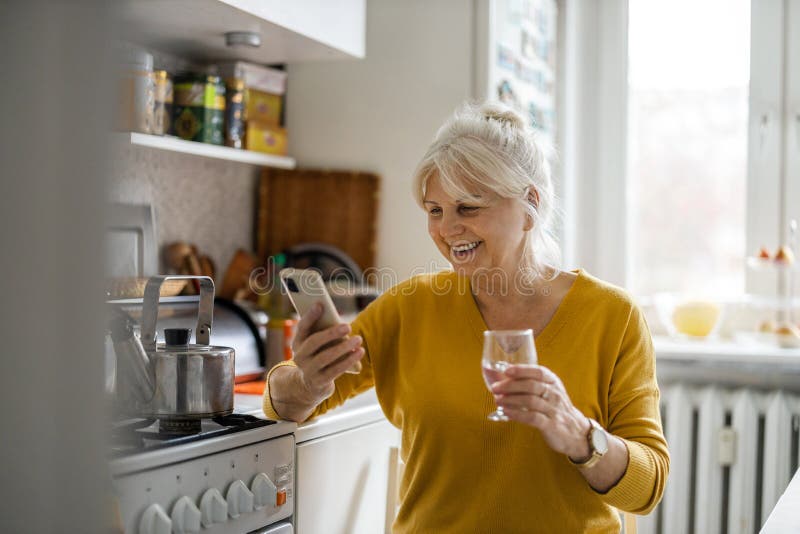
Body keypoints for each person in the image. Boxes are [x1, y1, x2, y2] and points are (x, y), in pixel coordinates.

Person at [263, 101, 669, 533]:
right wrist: (306, 381)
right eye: (435, 210)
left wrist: (579, 435)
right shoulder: (409, 308)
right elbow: (283, 406)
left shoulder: (613, 316)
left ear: (529, 202)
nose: (446, 229)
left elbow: (647, 490)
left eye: (468, 207)